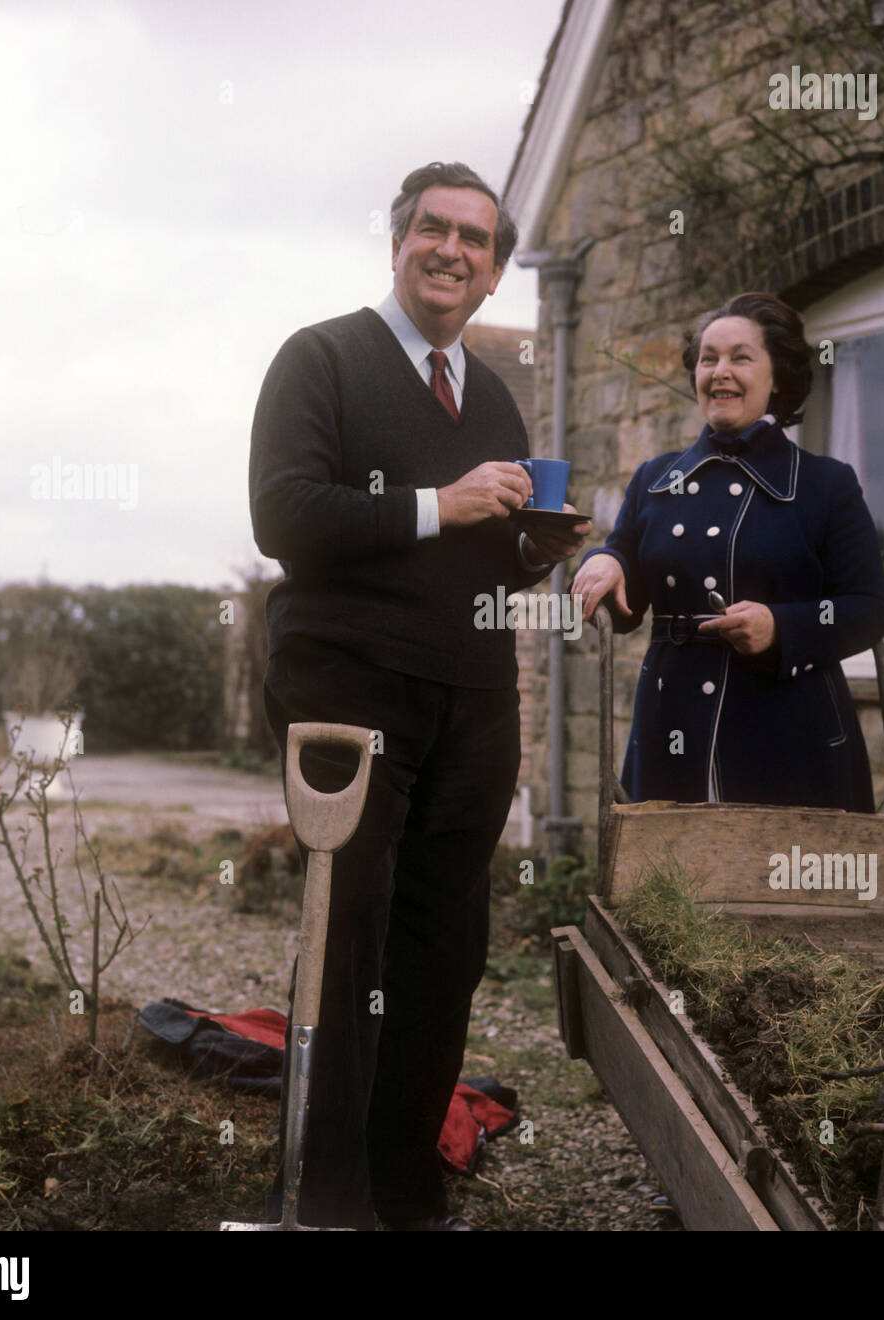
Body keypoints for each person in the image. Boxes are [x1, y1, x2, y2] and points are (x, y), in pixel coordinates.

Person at [248, 161, 590, 1230]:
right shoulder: (322, 360)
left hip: (473, 697)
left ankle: (405, 1191)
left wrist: (536, 549)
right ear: (396, 243)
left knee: (446, 946)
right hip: (349, 685)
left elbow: (478, 560)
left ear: (492, 275)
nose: (450, 250)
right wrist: (441, 505)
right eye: (432, 230)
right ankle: (327, 1193)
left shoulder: (490, 395)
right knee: (352, 934)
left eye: (473, 242)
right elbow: (286, 517)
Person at [571, 291, 884, 810]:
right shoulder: (655, 479)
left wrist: (780, 629)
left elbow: (872, 608)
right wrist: (603, 560)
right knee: (666, 887)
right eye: (708, 358)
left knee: (780, 887)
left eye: (740, 357)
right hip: (670, 727)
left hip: (790, 735)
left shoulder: (826, 485)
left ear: (778, 377)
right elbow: (624, 598)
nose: (720, 371)